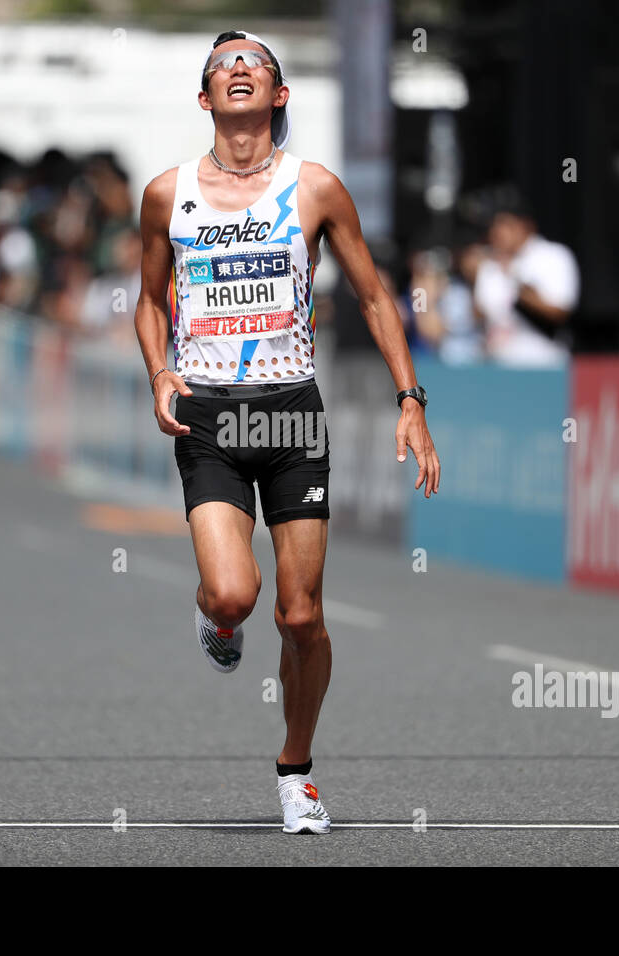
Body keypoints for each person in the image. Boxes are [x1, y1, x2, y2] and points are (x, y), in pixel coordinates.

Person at [134, 29, 440, 834]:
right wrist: (161, 371)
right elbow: (147, 300)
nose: (239, 71)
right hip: (207, 412)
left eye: (256, 65)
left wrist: (411, 399)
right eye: (223, 67)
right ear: (204, 99)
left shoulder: (316, 189)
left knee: (301, 616)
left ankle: (296, 768)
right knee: (236, 593)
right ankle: (216, 615)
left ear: (280, 96)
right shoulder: (168, 194)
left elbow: (376, 300)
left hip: (293, 411)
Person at [473, 189, 580, 366]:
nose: (497, 233)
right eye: (494, 227)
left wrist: (514, 280)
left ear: (525, 225)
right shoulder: (489, 264)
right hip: (498, 367)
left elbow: (560, 312)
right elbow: (479, 316)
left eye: (505, 225)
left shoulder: (553, 256)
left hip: (543, 365)